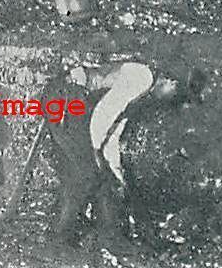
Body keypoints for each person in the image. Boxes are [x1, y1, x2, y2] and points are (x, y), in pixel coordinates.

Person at [41, 54, 207, 253]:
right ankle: (59, 239)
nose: (173, 102)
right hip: (66, 97)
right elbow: (103, 115)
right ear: (170, 81)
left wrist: (115, 169)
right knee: (86, 175)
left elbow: (114, 131)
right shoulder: (142, 77)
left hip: (73, 99)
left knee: (104, 178)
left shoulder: (144, 90)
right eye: (177, 95)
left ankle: (108, 238)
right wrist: (96, 153)